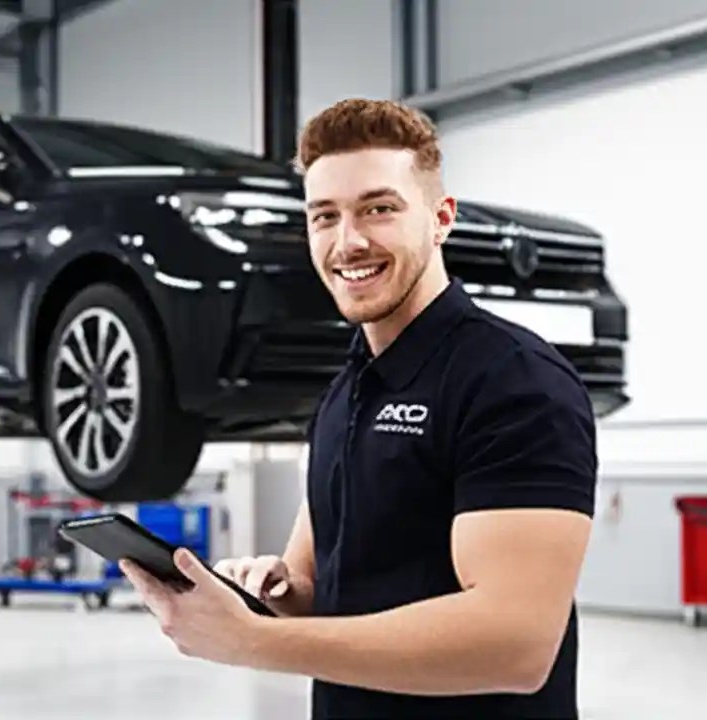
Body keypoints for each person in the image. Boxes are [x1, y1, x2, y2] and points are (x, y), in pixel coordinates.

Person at [119, 98, 598, 719]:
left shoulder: (515, 382)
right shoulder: (346, 391)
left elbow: (516, 644)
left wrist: (254, 640)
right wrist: (271, 592)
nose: (349, 241)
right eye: (325, 217)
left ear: (440, 218)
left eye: (378, 209)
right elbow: (317, 585)